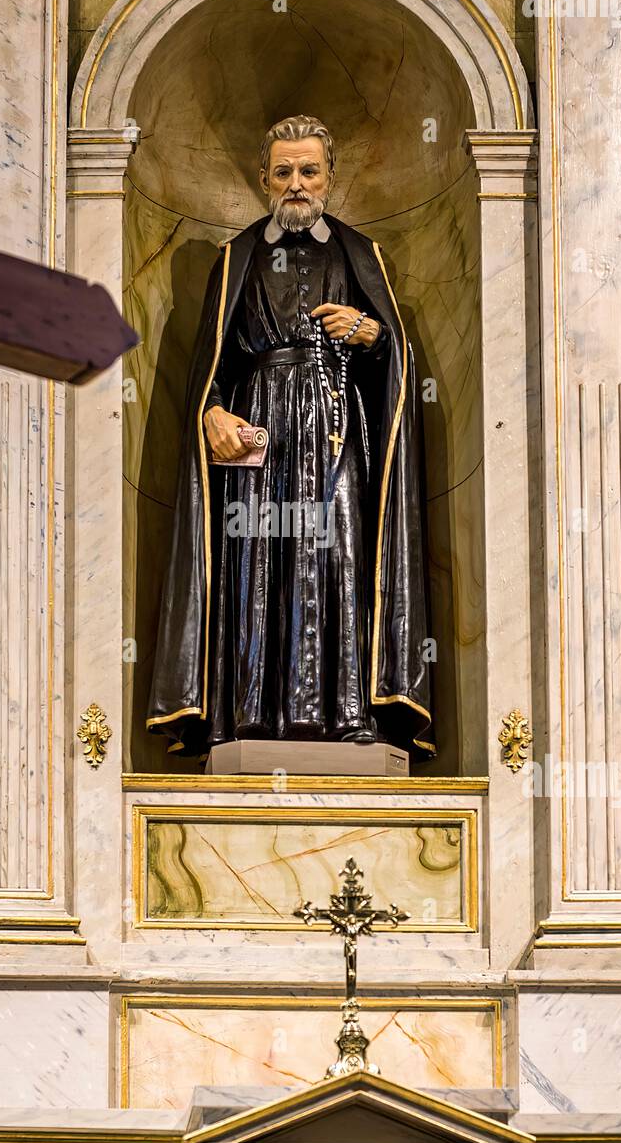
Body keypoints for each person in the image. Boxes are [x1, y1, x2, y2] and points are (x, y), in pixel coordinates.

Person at [147, 115, 434, 758]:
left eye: (309, 170)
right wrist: (213, 414)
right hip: (261, 430)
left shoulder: (362, 254)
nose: (296, 184)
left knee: (343, 553)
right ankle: (251, 713)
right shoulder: (237, 256)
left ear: (330, 176)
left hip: (338, 429)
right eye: (284, 172)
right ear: (263, 179)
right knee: (258, 561)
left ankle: (350, 712)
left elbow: (395, 359)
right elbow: (210, 369)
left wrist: (371, 335)